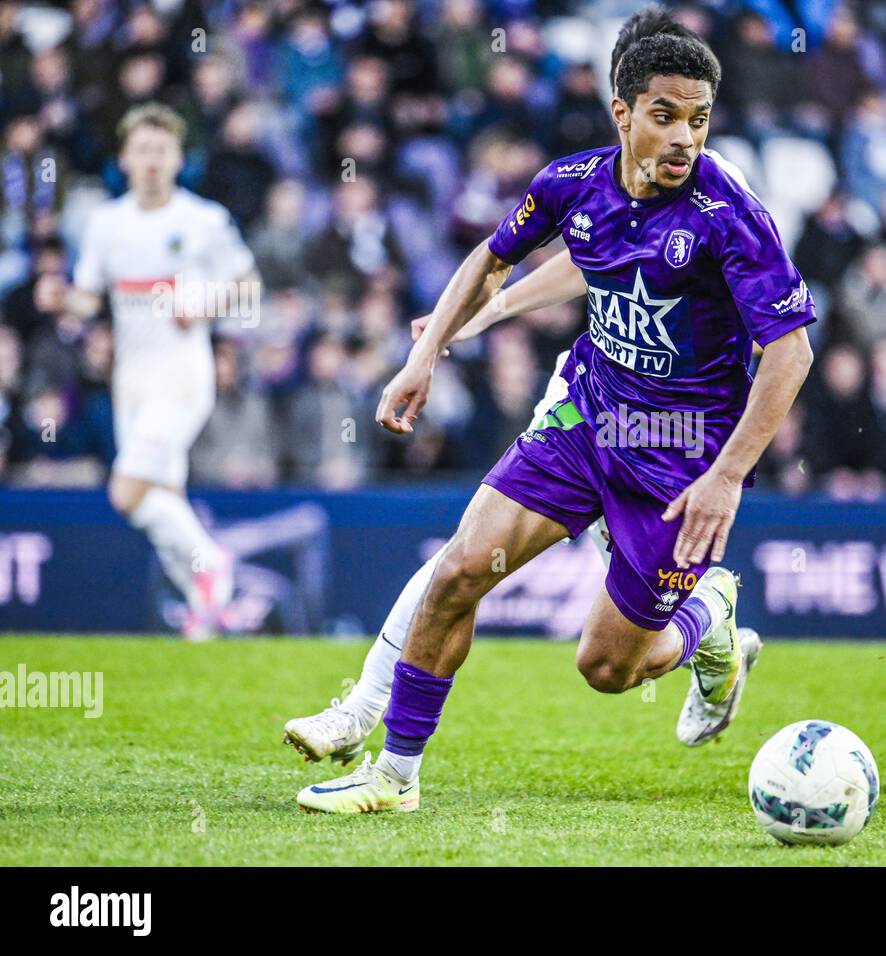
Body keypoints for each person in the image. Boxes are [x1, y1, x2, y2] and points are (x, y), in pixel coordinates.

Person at [293, 19, 814, 814]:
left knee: (608, 669)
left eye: (699, 118)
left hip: (678, 459)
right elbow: (497, 257)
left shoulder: (727, 212)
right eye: (666, 115)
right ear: (621, 112)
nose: (684, 137)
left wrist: (728, 477)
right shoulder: (576, 182)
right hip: (588, 417)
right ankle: (392, 776)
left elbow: (792, 352)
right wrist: (429, 349)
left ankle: (711, 613)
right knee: (462, 568)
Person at [44, 103, 256, 640]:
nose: (153, 160)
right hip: (130, 381)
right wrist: (62, 298)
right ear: (124, 158)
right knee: (158, 500)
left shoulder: (202, 220)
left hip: (183, 377)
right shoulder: (106, 223)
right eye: (142, 149)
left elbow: (247, 287)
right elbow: (90, 300)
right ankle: (204, 616)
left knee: (125, 491)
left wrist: (205, 305)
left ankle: (214, 565)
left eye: (162, 150)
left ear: (179, 158)